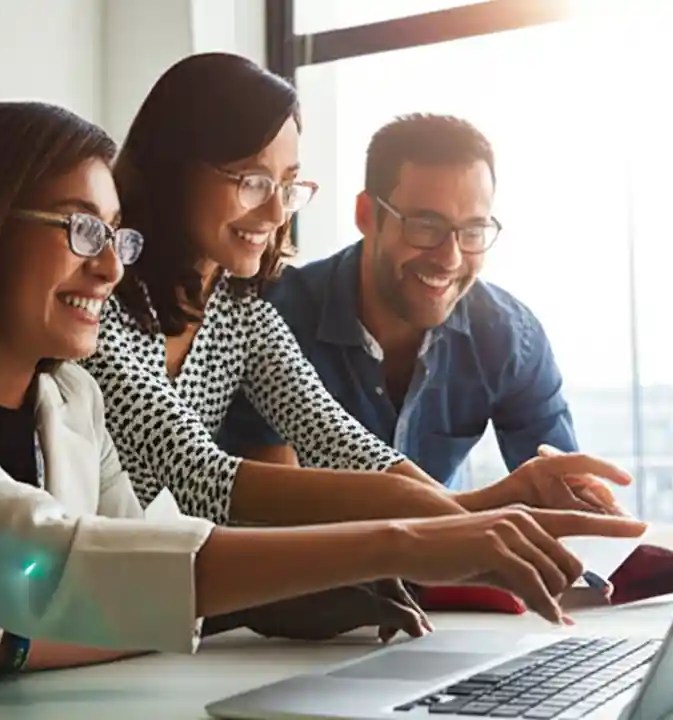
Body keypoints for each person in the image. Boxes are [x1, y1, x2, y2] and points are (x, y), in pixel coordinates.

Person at [0, 102, 646, 717]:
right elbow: (51, 566)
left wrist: (265, 595)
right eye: (81, 230)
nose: (111, 267)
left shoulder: (68, 403)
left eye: (115, 234)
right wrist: (407, 537)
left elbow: (138, 569)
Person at [81, 52, 633, 537]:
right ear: (177, 170)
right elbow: (204, 478)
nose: (276, 214)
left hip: (158, 603)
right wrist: (474, 514)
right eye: (251, 180)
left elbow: (340, 444)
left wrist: (474, 519)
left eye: (287, 185)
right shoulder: (98, 295)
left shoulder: (240, 311)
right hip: (68, 603)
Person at [215, 114, 673, 605]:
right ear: (367, 215)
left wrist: (649, 555)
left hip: (440, 612)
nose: (450, 257)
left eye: (473, 232)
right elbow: (279, 528)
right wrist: (493, 507)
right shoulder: (272, 321)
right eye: (426, 227)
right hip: (292, 620)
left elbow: (564, 516)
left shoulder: (509, 336)